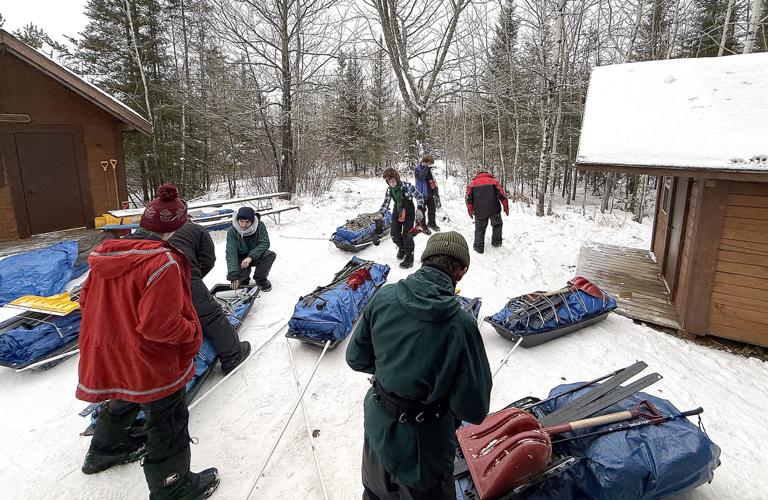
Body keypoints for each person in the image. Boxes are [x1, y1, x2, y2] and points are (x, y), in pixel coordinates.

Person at [77, 183, 219, 500]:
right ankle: (174, 486)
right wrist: (193, 333)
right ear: (179, 224)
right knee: (167, 417)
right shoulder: (163, 263)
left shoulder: (105, 255)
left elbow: (85, 302)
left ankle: (105, 450)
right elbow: (161, 326)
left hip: (110, 349)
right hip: (150, 358)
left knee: (123, 395)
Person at [346, 231, 493, 500]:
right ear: (460, 271)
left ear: (424, 261)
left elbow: (356, 358)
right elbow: (473, 408)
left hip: (378, 433)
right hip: (424, 454)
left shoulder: (384, 297)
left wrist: (393, 372)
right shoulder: (461, 327)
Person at [171, 221, 251, 374]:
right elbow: (208, 260)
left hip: (141, 270)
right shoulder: (196, 229)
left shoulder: (150, 229)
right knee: (210, 313)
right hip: (177, 266)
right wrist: (196, 281)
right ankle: (233, 356)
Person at [378, 167, 425, 269]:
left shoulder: (407, 186)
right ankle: (402, 249)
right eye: (390, 182)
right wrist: (380, 214)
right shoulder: (389, 190)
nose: (392, 183)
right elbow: (386, 203)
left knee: (407, 235)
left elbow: (419, 196)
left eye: (394, 181)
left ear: (397, 179)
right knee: (394, 234)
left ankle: (409, 257)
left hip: (408, 211)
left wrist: (419, 208)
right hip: (397, 210)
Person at [225, 207, 276, 292]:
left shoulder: (259, 226)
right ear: (238, 220)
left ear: (252, 221)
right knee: (242, 283)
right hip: (240, 259)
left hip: (255, 256)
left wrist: (250, 257)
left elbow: (265, 243)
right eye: (241, 221)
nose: (244, 225)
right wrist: (233, 275)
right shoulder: (232, 231)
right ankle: (244, 278)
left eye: (247, 222)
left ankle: (260, 280)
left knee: (269, 255)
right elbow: (231, 253)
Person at [465, 169, 509, 253]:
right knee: (497, 225)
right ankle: (497, 242)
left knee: (479, 229)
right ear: (487, 174)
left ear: (478, 174)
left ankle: (478, 247)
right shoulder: (494, 182)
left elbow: (468, 199)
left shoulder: (471, 185)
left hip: (479, 211)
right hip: (494, 209)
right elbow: (502, 195)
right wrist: (506, 207)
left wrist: (470, 210)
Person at [413, 154, 441, 234]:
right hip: (421, 193)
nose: (429, 165)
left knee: (432, 209)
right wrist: (426, 168)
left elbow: (431, 180)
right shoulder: (417, 169)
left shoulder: (428, 169)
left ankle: (432, 223)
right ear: (424, 161)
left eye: (430, 164)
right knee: (422, 211)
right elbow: (420, 177)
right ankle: (423, 226)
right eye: (428, 163)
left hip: (429, 192)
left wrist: (435, 191)